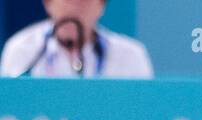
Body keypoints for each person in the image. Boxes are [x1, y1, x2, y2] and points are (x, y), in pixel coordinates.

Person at [0, 0, 153, 78]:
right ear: (48, 4)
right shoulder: (21, 49)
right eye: (67, 1)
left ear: (101, 6)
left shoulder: (131, 56)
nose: (73, 9)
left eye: (82, 1)